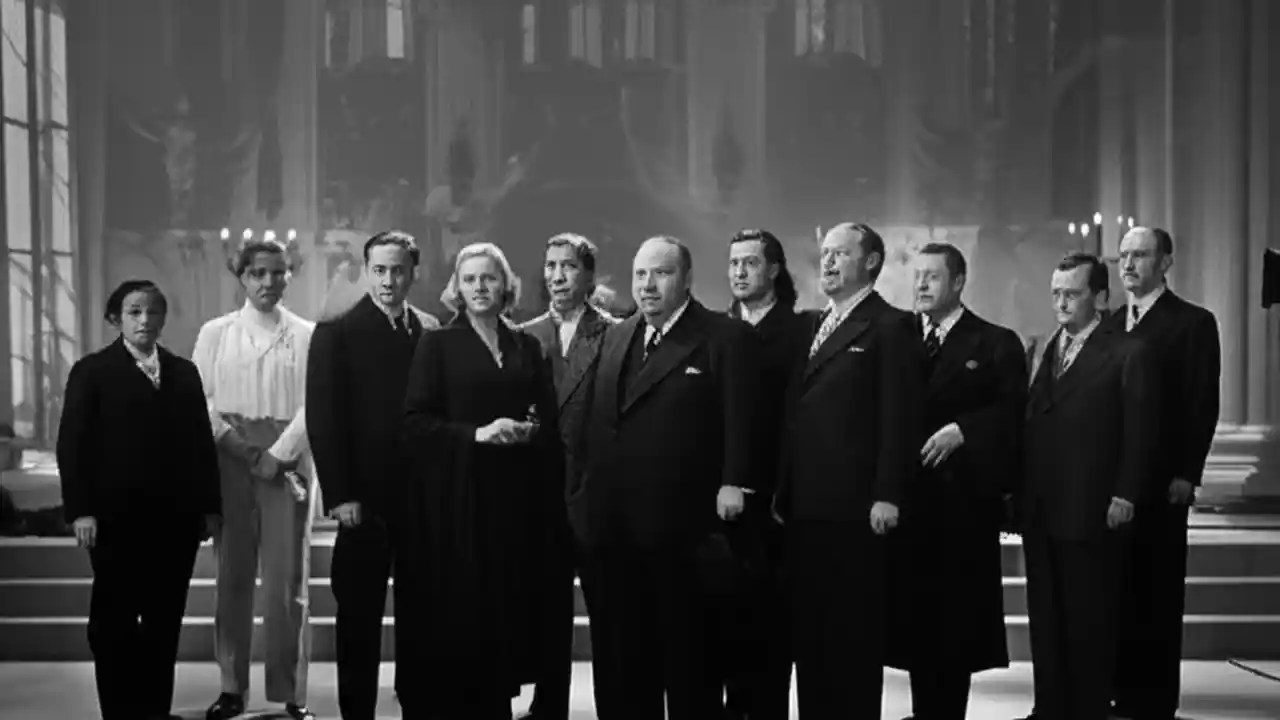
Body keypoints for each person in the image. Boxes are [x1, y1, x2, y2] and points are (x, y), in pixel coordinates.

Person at [574, 234, 765, 720]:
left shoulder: (725, 337)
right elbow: (599, 424)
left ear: (686, 279)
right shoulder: (617, 335)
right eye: (641, 274)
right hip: (618, 534)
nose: (648, 284)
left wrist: (734, 481)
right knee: (627, 664)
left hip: (690, 534)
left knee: (691, 667)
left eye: (661, 273)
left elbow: (744, 420)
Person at [399, 242, 562, 719]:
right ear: (457, 287)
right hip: (459, 499)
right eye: (469, 279)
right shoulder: (438, 344)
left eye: (488, 278)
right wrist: (476, 434)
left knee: (506, 614)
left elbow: (543, 411)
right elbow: (414, 422)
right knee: (465, 614)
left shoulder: (526, 344)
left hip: (515, 500)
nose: (479, 287)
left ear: (505, 284)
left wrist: (530, 429)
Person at [774, 222, 922, 718]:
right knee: (811, 634)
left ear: (873, 262)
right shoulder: (816, 324)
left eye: (841, 253)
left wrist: (888, 492)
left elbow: (899, 416)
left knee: (852, 636)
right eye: (825, 253)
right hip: (806, 507)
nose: (829, 262)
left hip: (857, 508)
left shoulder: (892, 325)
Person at [56, 280, 221, 720]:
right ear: (117, 318)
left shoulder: (185, 373)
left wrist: (209, 508)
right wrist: (81, 510)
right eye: (134, 312)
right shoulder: (92, 371)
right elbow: (72, 446)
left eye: (152, 312)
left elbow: (201, 444)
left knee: (164, 627)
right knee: (113, 626)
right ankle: (120, 712)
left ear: (163, 318)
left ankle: (153, 712)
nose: (144, 320)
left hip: (176, 524)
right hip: (114, 523)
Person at [885, 242, 1026, 719]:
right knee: (913, 622)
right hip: (906, 504)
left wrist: (967, 429)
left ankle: (946, 713)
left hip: (962, 509)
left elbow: (1013, 413)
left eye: (932, 277)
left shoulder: (993, 342)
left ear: (959, 282)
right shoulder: (895, 336)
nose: (921, 285)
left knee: (955, 626)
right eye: (917, 276)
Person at [306, 230, 441, 720]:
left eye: (398, 270)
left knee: (420, 613)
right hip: (362, 501)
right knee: (359, 617)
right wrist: (341, 494)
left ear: (413, 273)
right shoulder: (337, 331)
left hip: (421, 502)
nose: (389, 280)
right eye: (379, 270)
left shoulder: (429, 329)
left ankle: (417, 704)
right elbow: (324, 418)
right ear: (366, 271)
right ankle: (356, 712)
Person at [1020, 253, 1156, 720]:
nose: (1061, 302)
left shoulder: (1127, 350)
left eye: (1071, 293)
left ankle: (1088, 708)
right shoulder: (1044, 348)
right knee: (1046, 613)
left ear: (1100, 297)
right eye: (1056, 293)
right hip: (1043, 506)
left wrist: (1126, 492)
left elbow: (1141, 429)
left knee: (1089, 617)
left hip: (1094, 504)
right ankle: (1050, 706)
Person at [194, 238, 317, 720]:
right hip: (231, 458)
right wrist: (241, 449)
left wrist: (280, 454)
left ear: (289, 276)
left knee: (288, 581)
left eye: (278, 273)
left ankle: (290, 693)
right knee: (234, 576)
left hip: (288, 458)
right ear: (242, 277)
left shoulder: (307, 335)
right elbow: (199, 400)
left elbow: (315, 402)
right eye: (258, 273)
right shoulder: (216, 334)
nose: (269, 282)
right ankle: (231, 687)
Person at [1108, 227, 1220, 720]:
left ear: (1166, 262)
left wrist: (1186, 472)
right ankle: (1115, 690)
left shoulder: (1192, 323)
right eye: (1123, 255)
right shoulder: (1110, 324)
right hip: (1113, 482)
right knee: (1116, 589)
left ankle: (1152, 700)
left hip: (1163, 481)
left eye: (1141, 255)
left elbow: (1201, 402)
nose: (1129, 264)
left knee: (1156, 590)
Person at [517, 233, 619, 720]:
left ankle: (616, 706)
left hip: (596, 496)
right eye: (550, 265)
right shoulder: (521, 335)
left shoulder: (617, 334)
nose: (557, 276)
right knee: (546, 614)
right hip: (538, 500)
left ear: (590, 276)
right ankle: (548, 707)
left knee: (610, 617)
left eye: (569, 266)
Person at [720, 228, 812, 720]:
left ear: (774, 269)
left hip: (780, 504)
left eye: (750, 263)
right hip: (720, 504)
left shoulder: (803, 332)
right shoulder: (714, 330)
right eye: (733, 263)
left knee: (774, 630)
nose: (738, 272)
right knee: (726, 627)